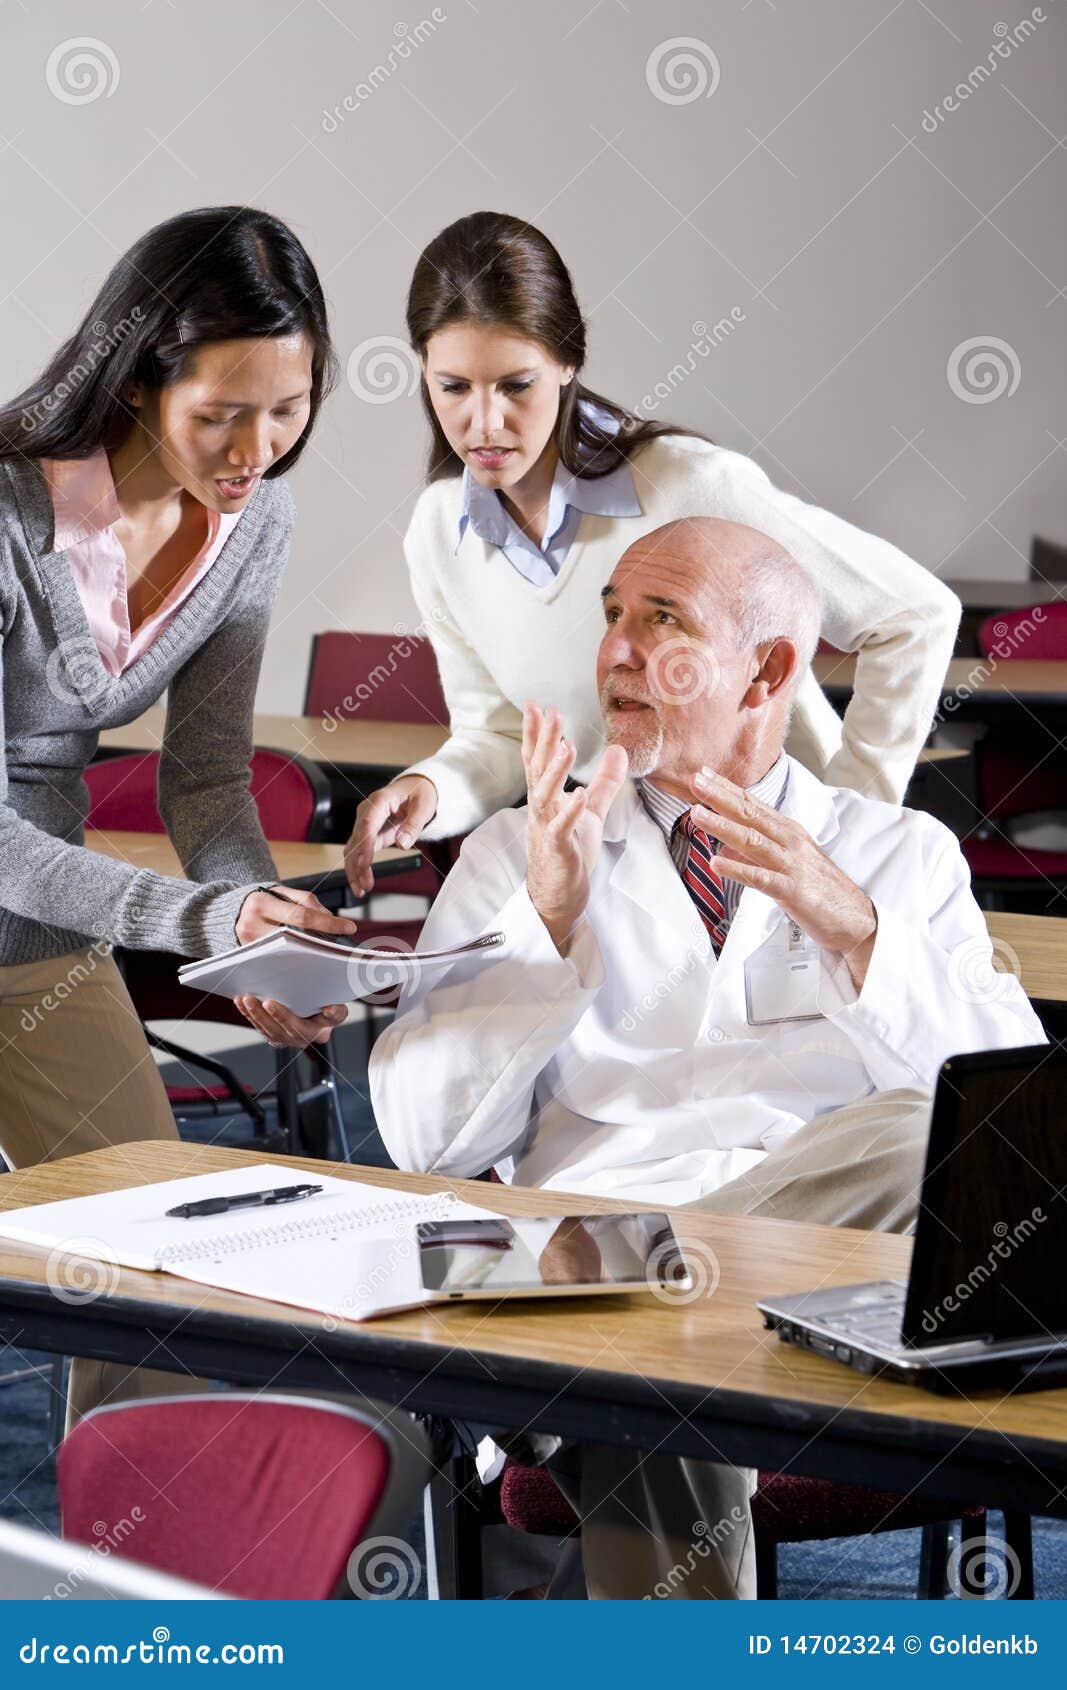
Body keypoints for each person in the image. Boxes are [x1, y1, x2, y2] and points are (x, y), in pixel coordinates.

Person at [369, 516, 1044, 1599]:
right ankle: (636, 1325)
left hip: (810, 1305)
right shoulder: (517, 849)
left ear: (767, 668)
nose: (616, 652)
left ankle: (627, 1326)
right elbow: (422, 1137)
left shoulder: (890, 854)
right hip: (585, 1271)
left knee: (924, 1132)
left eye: (662, 620)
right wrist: (548, 928)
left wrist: (858, 931)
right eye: (610, 619)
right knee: (658, 1375)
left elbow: (1014, 1127)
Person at [0, 206, 354, 1421]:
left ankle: (119, 1557)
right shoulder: (5, 507)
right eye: (222, 413)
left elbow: (203, 777)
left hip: (27, 929)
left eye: (290, 408)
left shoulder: (255, 519)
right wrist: (204, 917)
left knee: (142, 1243)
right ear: (139, 376)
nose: (258, 447)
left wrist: (257, 936)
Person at [346, 211, 960, 896]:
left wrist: (849, 827)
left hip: (781, 873)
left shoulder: (688, 485)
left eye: (516, 385)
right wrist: (427, 790)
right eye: (453, 387)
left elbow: (915, 616)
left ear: (566, 362)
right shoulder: (438, 533)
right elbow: (498, 737)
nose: (483, 423)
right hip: (638, 875)